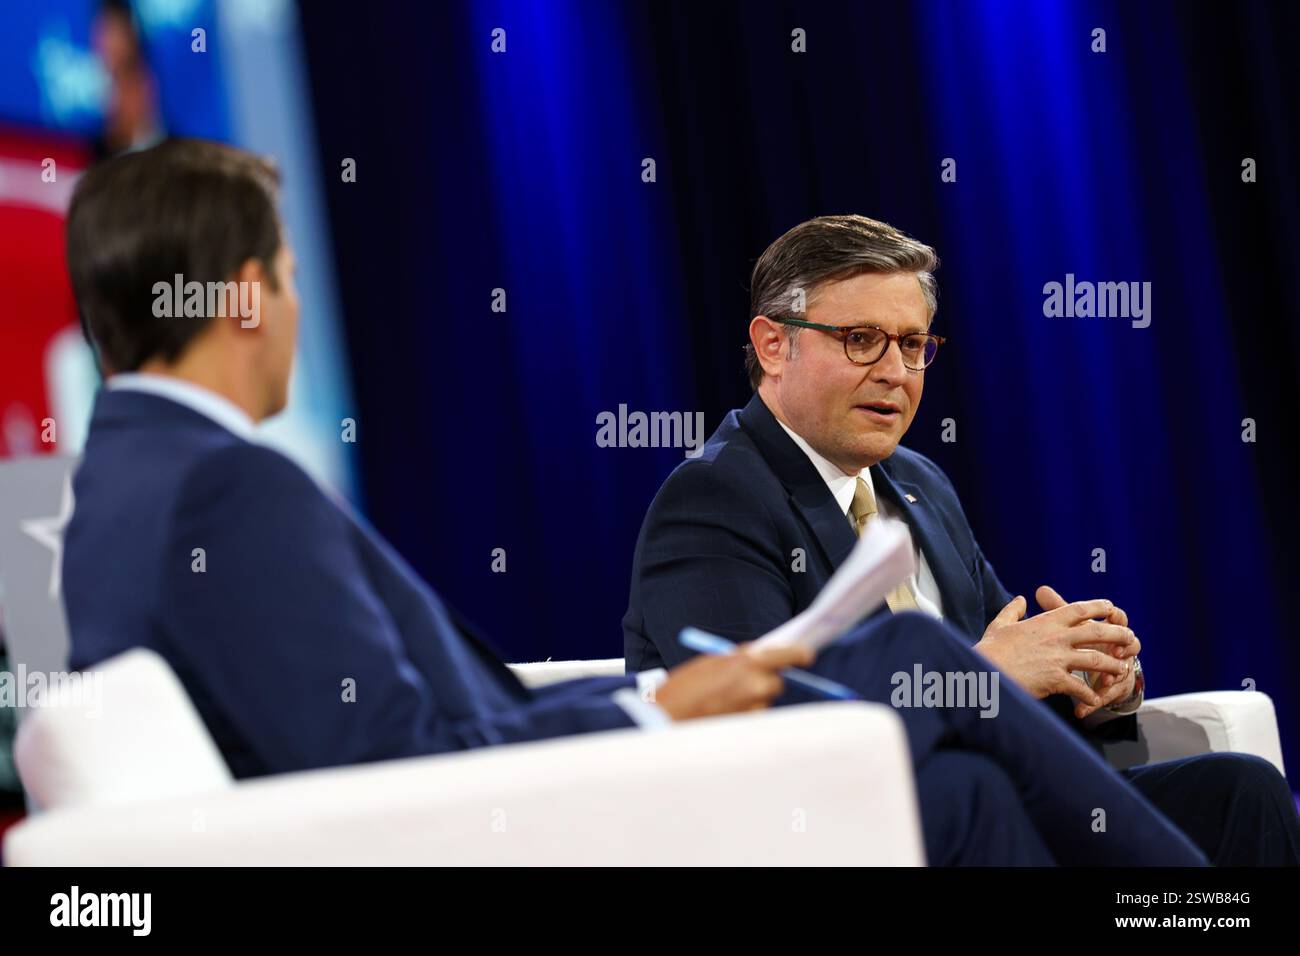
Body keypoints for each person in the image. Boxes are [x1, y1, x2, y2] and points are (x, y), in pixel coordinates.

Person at [63, 143, 1207, 865]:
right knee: (913, 654)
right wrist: (657, 711)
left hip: (539, 769)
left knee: (961, 784)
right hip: (544, 805)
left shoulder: (124, 481)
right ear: (247, 297)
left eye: (913, 343)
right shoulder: (224, 486)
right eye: (295, 277)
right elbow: (396, 753)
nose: (898, 367)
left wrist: (648, 689)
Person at [624, 214, 1300, 866]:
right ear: (775, 345)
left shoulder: (919, 482)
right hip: (846, 828)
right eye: (862, 338)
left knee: (1242, 791)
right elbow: (751, 723)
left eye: (913, 344)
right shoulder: (716, 497)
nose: (895, 371)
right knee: (975, 797)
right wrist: (980, 676)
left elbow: (1010, 660)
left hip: (997, 800)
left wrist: (1091, 678)